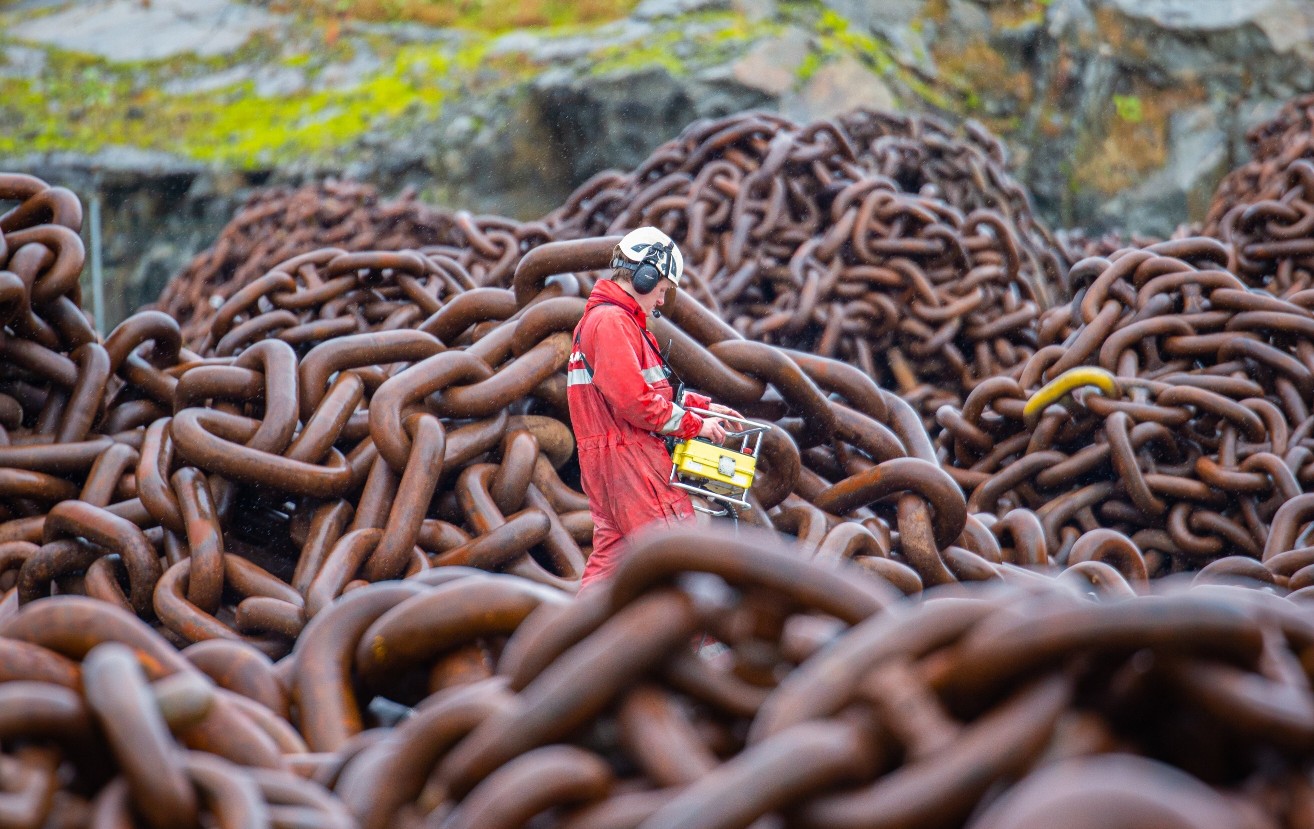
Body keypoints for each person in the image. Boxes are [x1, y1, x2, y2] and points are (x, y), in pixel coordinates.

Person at [566, 227, 740, 588]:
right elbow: (632, 401)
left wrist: (704, 407)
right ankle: (698, 645)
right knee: (677, 557)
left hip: (609, 459)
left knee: (608, 568)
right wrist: (694, 425)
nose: (661, 301)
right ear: (645, 277)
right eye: (661, 289)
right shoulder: (612, 322)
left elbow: (648, 390)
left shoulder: (609, 322)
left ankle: (577, 641)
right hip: (631, 459)